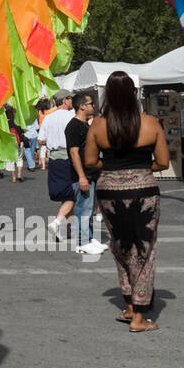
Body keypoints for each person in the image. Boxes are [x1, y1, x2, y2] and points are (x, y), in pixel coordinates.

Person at [84, 72, 168, 332]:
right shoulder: (150, 123)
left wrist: (110, 169)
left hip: (109, 192)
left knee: (121, 248)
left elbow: (90, 162)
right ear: (134, 93)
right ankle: (140, 315)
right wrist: (141, 169)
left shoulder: (97, 125)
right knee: (144, 249)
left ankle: (130, 305)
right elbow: (163, 162)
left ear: (107, 95)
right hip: (144, 190)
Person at [65, 89, 107, 256]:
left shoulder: (84, 124)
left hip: (91, 173)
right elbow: (74, 152)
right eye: (90, 104)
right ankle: (82, 242)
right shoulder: (74, 126)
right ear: (81, 106)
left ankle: (89, 238)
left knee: (89, 209)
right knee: (84, 209)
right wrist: (81, 176)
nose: (93, 106)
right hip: (83, 175)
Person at [41, 90, 75, 240]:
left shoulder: (48, 118)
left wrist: (52, 140)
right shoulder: (72, 116)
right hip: (69, 157)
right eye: (70, 99)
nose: (72, 101)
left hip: (54, 158)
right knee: (72, 195)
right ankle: (57, 222)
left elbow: (41, 140)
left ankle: (66, 228)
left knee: (65, 194)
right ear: (65, 100)